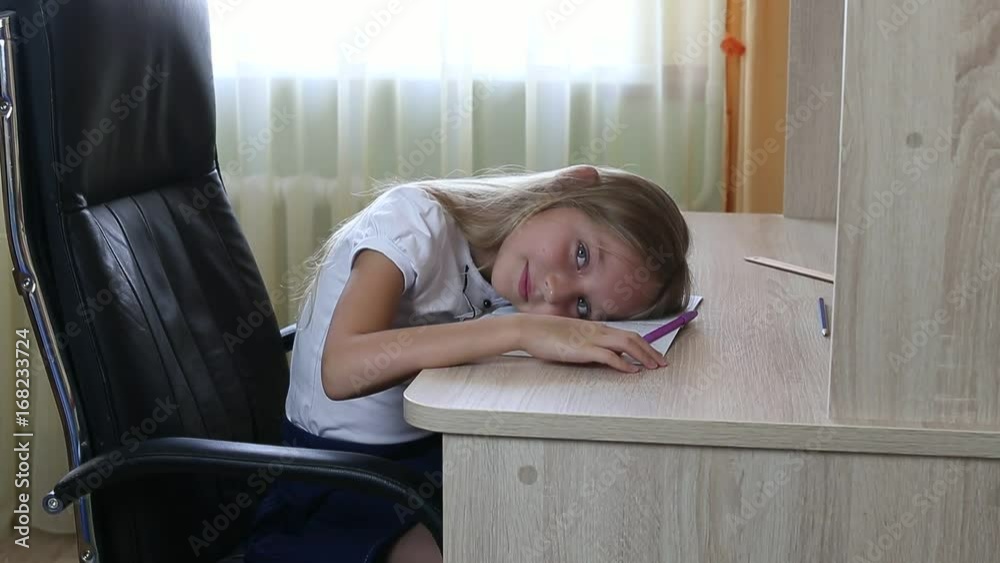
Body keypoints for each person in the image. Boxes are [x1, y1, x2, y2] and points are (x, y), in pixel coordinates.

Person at [245, 164, 692, 563]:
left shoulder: (508, 270)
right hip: (342, 485)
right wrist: (519, 331)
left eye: (581, 307)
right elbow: (341, 369)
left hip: (431, 461)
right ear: (566, 187)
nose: (554, 291)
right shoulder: (412, 221)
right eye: (581, 254)